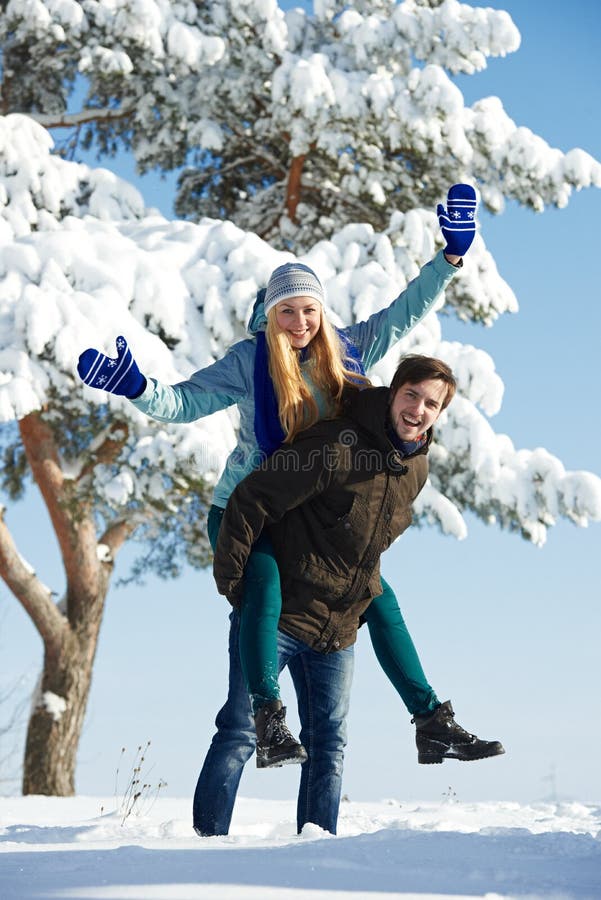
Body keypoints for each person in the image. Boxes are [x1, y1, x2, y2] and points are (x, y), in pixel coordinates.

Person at [77, 184, 475, 768]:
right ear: (270, 314)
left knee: (377, 597)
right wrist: (139, 388)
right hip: (244, 506)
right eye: (287, 310)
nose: (299, 321)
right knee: (263, 586)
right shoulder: (250, 361)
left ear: (322, 312)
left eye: (309, 310)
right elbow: (186, 401)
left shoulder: (348, 350)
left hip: (304, 514)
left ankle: (431, 721)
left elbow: (405, 312)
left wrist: (450, 258)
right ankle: (267, 716)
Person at [206, 355, 504, 836]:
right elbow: (251, 498)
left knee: (328, 744)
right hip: (279, 609)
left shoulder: (415, 467)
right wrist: (234, 581)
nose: (418, 410)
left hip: (335, 624)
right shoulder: (336, 444)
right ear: (393, 393)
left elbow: (370, 540)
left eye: (431, 404)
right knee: (240, 731)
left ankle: (318, 852)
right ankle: (205, 847)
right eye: (411, 395)